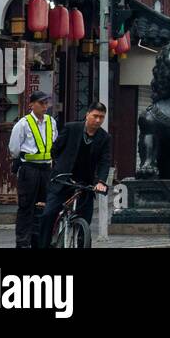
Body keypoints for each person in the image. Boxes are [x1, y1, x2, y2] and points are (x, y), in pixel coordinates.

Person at [39, 101, 111, 248]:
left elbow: (105, 161)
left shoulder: (104, 138)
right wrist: (59, 168)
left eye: (101, 117)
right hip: (63, 181)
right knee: (48, 214)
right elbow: (55, 150)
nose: (98, 120)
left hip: (85, 184)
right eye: (95, 116)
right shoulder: (71, 128)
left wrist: (101, 182)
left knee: (85, 222)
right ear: (87, 115)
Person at [7, 90, 57, 248]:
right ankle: (23, 242)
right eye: (41, 103)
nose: (45, 106)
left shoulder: (51, 122)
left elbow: (54, 144)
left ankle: (40, 241)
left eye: (46, 102)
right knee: (26, 207)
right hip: (29, 170)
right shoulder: (23, 124)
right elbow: (14, 149)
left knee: (44, 207)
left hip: (46, 170)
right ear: (31, 105)